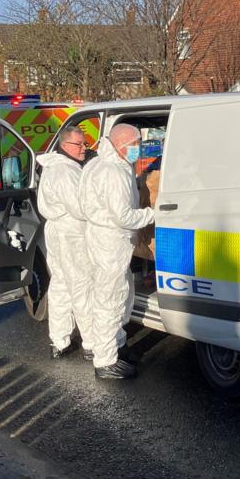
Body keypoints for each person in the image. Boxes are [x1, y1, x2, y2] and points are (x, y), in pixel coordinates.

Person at [79, 123, 155, 380]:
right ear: (122, 144)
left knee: (118, 295)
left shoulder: (99, 164)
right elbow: (123, 216)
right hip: (111, 240)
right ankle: (106, 360)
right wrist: (153, 214)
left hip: (104, 238)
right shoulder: (113, 171)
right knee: (109, 299)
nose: (138, 149)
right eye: (135, 144)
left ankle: (117, 346)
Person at [36, 125, 93, 361]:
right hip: (71, 233)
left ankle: (60, 340)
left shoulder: (57, 168)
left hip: (59, 231)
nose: (83, 149)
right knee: (82, 286)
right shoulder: (65, 172)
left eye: (85, 144)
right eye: (78, 145)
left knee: (61, 286)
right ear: (64, 145)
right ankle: (92, 343)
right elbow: (80, 208)